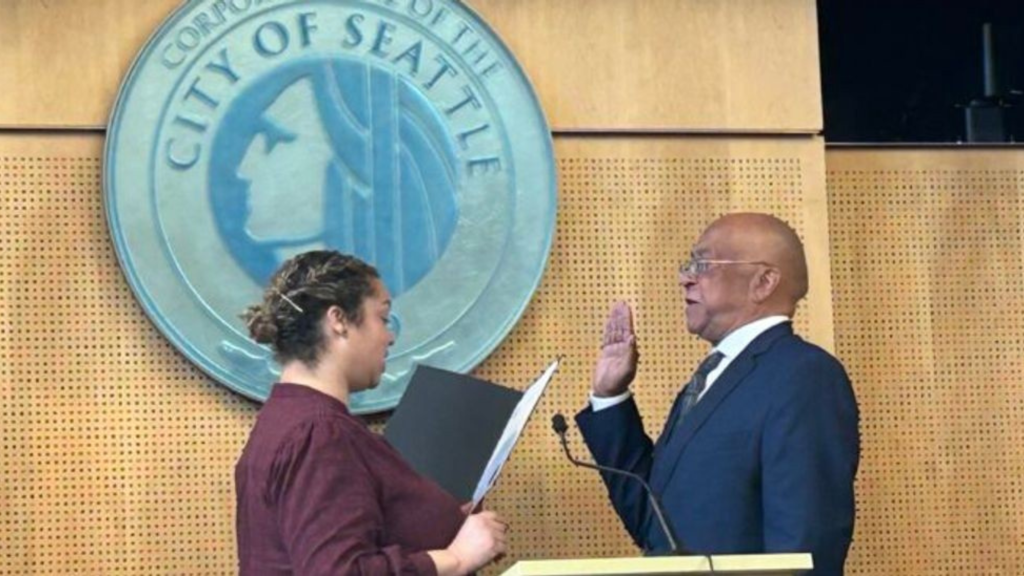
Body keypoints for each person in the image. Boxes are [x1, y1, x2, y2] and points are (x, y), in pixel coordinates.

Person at [576, 213, 859, 575]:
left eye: (703, 264)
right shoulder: (711, 378)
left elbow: (805, 546)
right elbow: (655, 523)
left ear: (763, 282)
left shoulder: (804, 375)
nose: (685, 278)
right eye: (689, 265)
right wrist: (610, 397)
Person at [235, 250, 507, 575]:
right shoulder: (320, 433)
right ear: (338, 321)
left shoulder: (289, 419)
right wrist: (458, 558)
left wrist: (438, 521)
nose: (389, 337)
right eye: (383, 318)